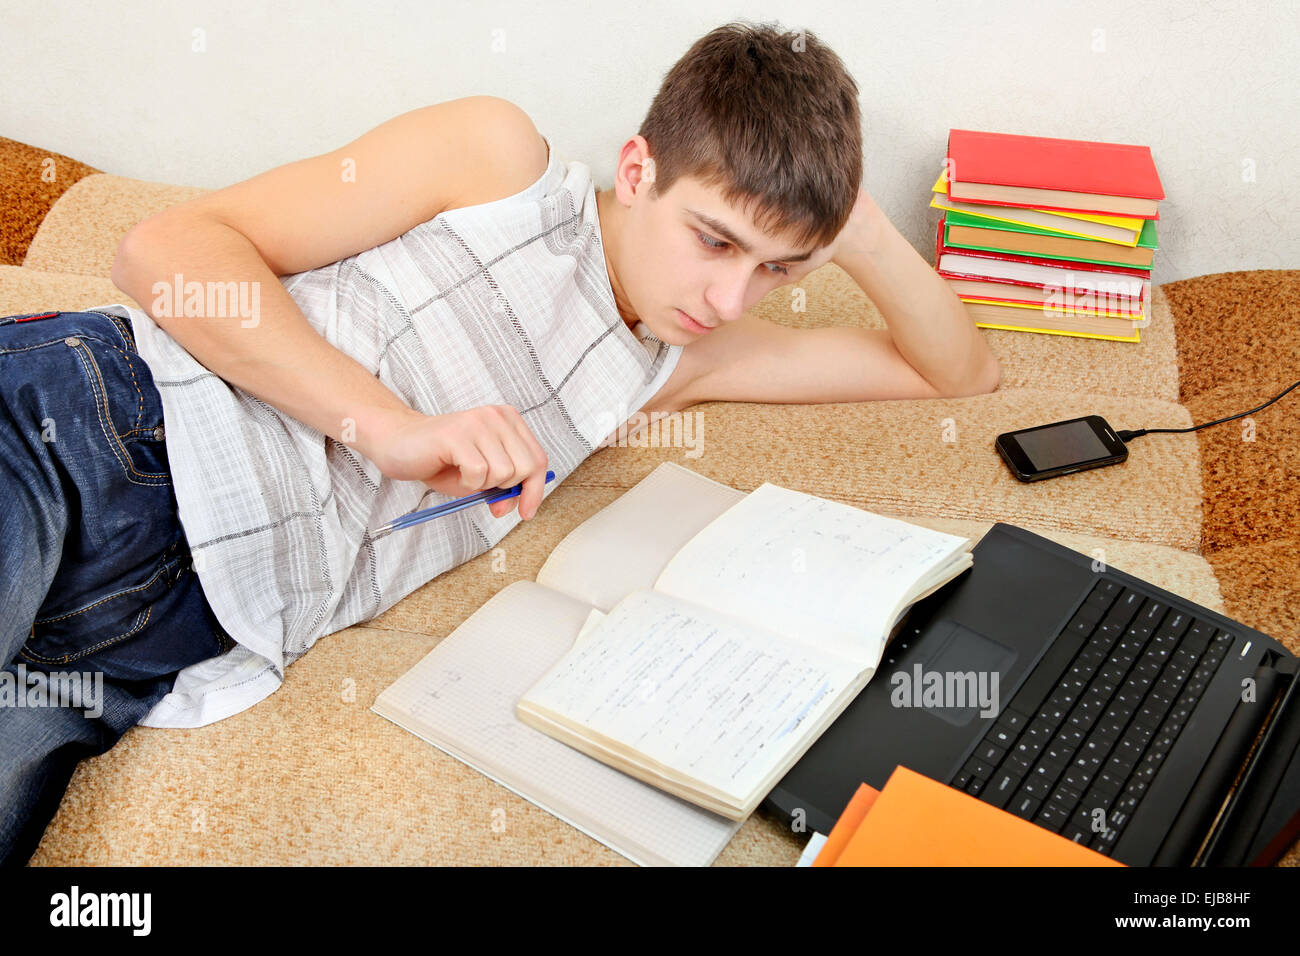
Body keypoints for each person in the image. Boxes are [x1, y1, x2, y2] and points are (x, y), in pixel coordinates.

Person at [0, 18, 998, 866]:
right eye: (715, 239)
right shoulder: (499, 163)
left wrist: (853, 227)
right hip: (103, 427)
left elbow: (954, 375)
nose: (730, 297)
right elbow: (166, 250)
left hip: (166, 638)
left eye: (779, 269)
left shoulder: (680, 360)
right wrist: (382, 424)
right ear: (639, 169)